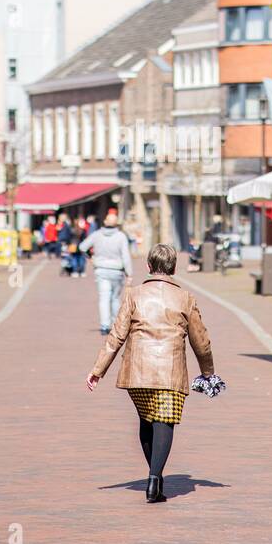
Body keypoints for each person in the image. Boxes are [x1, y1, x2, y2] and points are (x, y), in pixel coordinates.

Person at [86, 243, 215, 503]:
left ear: (148, 266)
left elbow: (116, 336)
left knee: (147, 420)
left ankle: (154, 476)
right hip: (170, 370)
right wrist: (208, 372)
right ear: (174, 267)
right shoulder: (185, 298)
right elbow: (200, 340)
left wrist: (98, 370)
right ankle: (154, 480)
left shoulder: (134, 294)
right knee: (164, 420)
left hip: (138, 371)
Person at [80, 211, 133, 334]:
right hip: (116, 270)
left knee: (104, 297)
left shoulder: (97, 235)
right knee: (115, 298)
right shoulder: (121, 236)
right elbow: (125, 256)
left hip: (101, 269)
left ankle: (104, 325)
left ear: (104, 222)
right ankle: (117, 324)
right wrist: (129, 273)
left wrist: (91, 258)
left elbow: (82, 247)